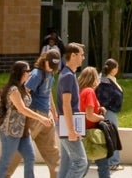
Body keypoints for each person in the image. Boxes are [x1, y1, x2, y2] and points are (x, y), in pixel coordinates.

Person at [6, 49, 62, 178]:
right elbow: (24, 91)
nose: (52, 69)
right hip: (35, 115)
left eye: (55, 67)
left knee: (52, 151)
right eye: (51, 66)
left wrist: (53, 110)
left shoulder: (51, 73)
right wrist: (24, 111)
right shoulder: (37, 74)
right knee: (21, 148)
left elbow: (48, 93)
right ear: (44, 61)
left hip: (46, 116)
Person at [0, 61, 55, 178]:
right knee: (5, 161)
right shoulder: (13, 90)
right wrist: (41, 118)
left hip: (23, 131)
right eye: (27, 71)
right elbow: (22, 109)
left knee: (30, 157)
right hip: (10, 131)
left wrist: (51, 109)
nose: (30, 73)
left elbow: (46, 93)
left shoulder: (23, 88)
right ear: (21, 73)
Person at [57, 43, 88, 178]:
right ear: (73, 55)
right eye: (81, 54)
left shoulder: (68, 74)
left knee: (66, 163)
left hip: (66, 125)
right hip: (68, 126)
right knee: (81, 162)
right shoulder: (68, 76)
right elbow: (66, 104)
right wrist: (71, 130)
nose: (83, 57)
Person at [78, 67, 110, 178]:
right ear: (94, 78)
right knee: (102, 165)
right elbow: (90, 116)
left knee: (86, 165)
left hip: (84, 132)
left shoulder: (82, 91)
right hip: (92, 135)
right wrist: (102, 118)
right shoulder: (90, 91)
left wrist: (99, 108)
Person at [97, 59, 126, 171]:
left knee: (112, 135)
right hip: (108, 111)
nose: (118, 70)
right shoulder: (105, 80)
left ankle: (112, 161)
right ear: (113, 69)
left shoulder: (111, 80)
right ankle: (113, 162)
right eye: (117, 67)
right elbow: (103, 96)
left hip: (112, 111)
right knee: (112, 136)